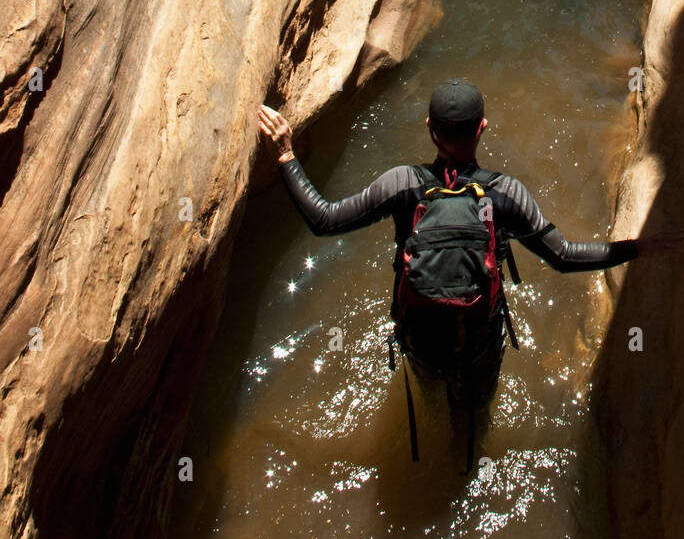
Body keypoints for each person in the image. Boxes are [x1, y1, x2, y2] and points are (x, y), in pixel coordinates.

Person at [257, 79, 639, 464]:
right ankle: (464, 456)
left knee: (431, 392)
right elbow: (564, 256)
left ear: (429, 128)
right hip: (479, 338)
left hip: (420, 332)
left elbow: (324, 219)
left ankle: (435, 422)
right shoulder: (505, 193)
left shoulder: (402, 184)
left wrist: (285, 154)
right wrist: (638, 247)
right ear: (482, 128)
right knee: (472, 417)